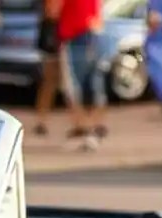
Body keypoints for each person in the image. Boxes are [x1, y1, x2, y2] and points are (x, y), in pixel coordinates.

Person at [47, 0, 106, 151]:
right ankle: (91, 127)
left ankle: (84, 128)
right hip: (92, 33)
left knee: (73, 85)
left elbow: (52, 11)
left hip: (73, 35)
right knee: (94, 84)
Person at [31, 2, 61, 136]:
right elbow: (52, 11)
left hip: (58, 32)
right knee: (50, 80)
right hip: (55, 33)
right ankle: (42, 120)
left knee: (52, 81)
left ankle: (80, 121)